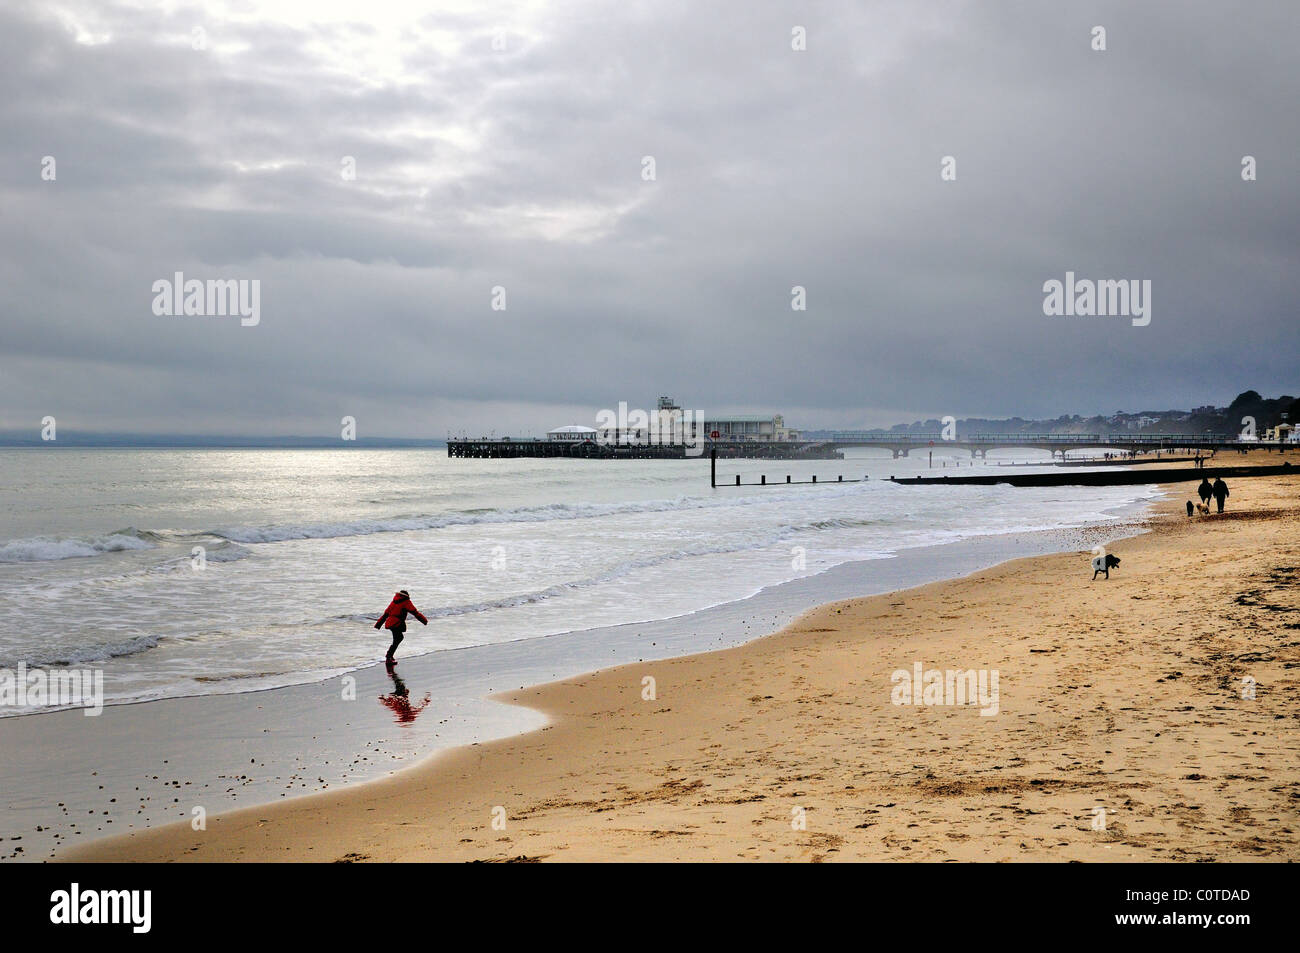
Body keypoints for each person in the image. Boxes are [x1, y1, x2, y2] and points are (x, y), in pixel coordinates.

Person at [374, 589, 427, 663]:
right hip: (396, 623)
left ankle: (389, 656)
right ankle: (389, 657)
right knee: (398, 638)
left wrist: (378, 624)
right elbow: (414, 612)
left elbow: (386, 614)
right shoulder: (406, 601)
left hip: (390, 622)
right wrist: (424, 620)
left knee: (398, 638)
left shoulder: (394, 602)